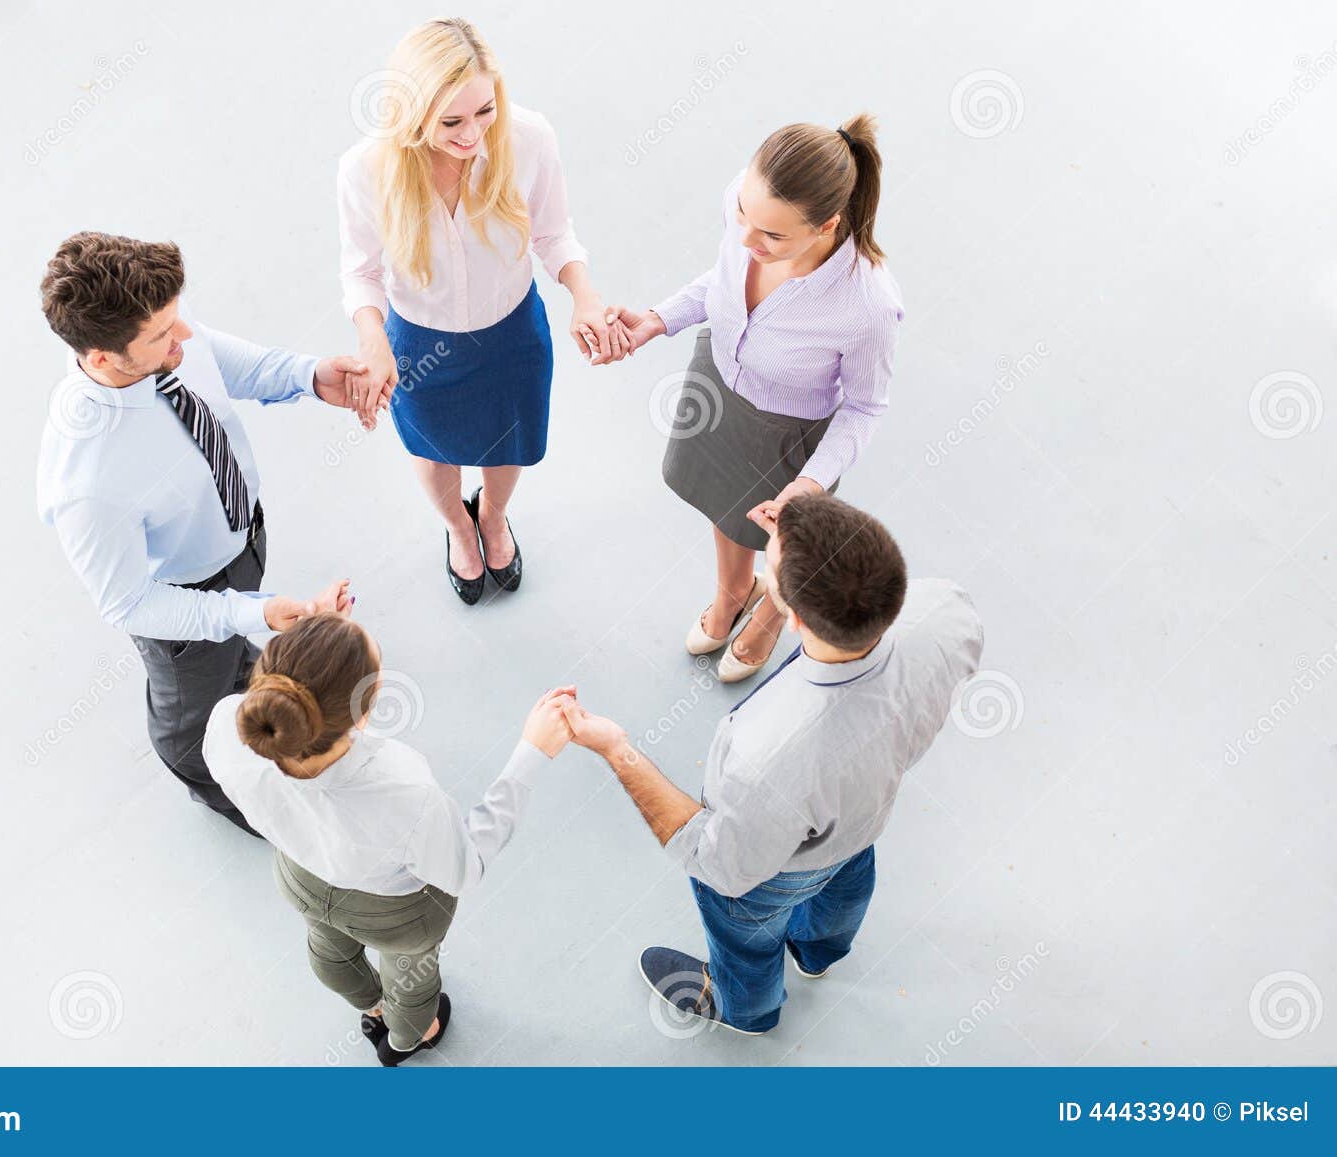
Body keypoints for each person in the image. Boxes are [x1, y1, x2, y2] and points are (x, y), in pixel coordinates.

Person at [556, 494, 983, 1036]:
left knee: (744, 932)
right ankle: (818, 953)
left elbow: (721, 866)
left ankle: (748, 1010)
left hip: (780, 869)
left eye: (770, 563)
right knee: (847, 880)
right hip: (863, 819)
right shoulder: (945, 607)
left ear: (793, 617)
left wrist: (617, 750)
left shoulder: (770, 752)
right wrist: (808, 538)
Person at [36, 231, 361, 836]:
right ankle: (240, 797)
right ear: (103, 357)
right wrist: (246, 613)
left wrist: (312, 377)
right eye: (162, 334)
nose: (184, 336)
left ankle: (245, 671)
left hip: (240, 541)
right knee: (190, 725)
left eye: (177, 319)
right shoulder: (87, 481)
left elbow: (232, 363)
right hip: (185, 602)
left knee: (241, 657)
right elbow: (129, 602)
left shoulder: (163, 338)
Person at [338, 17, 630, 605]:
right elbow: (361, 271)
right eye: (451, 121)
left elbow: (554, 234)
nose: (473, 134)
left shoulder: (529, 137)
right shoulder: (365, 168)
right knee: (432, 448)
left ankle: (493, 518)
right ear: (413, 113)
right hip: (417, 341)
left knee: (508, 440)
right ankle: (457, 528)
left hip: (511, 332)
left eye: (485, 111)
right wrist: (373, 341)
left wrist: (586, 296)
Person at [202, 613, 573, 1064]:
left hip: (300, 876)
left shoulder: (227, 724)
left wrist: (323, 650)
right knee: (410, 975)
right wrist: (531, 754)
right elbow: (464, 869)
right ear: (365, 710)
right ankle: (406, 1038)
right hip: (393, 912)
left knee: (327, 946)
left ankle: (369, 1006)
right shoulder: (403, 789)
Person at [616, 116, 904, 682]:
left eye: (772, 237)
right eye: (743, 215)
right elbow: (720, 282)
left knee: (779, 536)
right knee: (724, 508)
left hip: (787, 433)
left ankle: (772, 611)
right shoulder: (747, 207)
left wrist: (810, 482)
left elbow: (865, 408)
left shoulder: (867, 304)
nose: (747, 238)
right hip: (719, 383)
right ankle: (733, 593)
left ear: (827, 226)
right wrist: (658, 319)